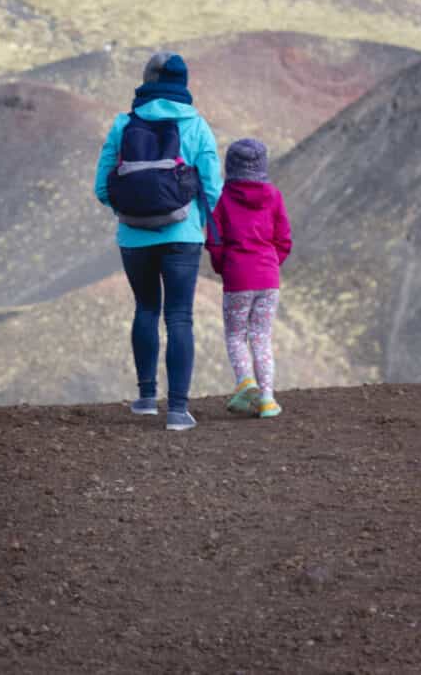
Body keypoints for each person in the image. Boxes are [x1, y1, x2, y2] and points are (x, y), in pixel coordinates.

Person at [95, 51, 222, 431]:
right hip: (183, 235)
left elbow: (102, 188)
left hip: (133, 236)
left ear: (146, 81)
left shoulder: (123, 124)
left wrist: (132, 210)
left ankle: (147, 398)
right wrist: (195, 221)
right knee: (179, 316)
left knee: (146, 308)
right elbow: (213, 188)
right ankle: (178, 411)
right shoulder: (196, 125)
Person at [206, 138, 292, 419]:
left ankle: (246, 382)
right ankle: (267, 400)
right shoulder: (274, 196)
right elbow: (284, 240)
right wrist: (270, 266)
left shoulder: (223, 198)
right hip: (269, 278)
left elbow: (215, 241)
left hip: (237, 278)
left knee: (235, 335)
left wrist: (224, 267)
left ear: (230, 165)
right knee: (261, 337)